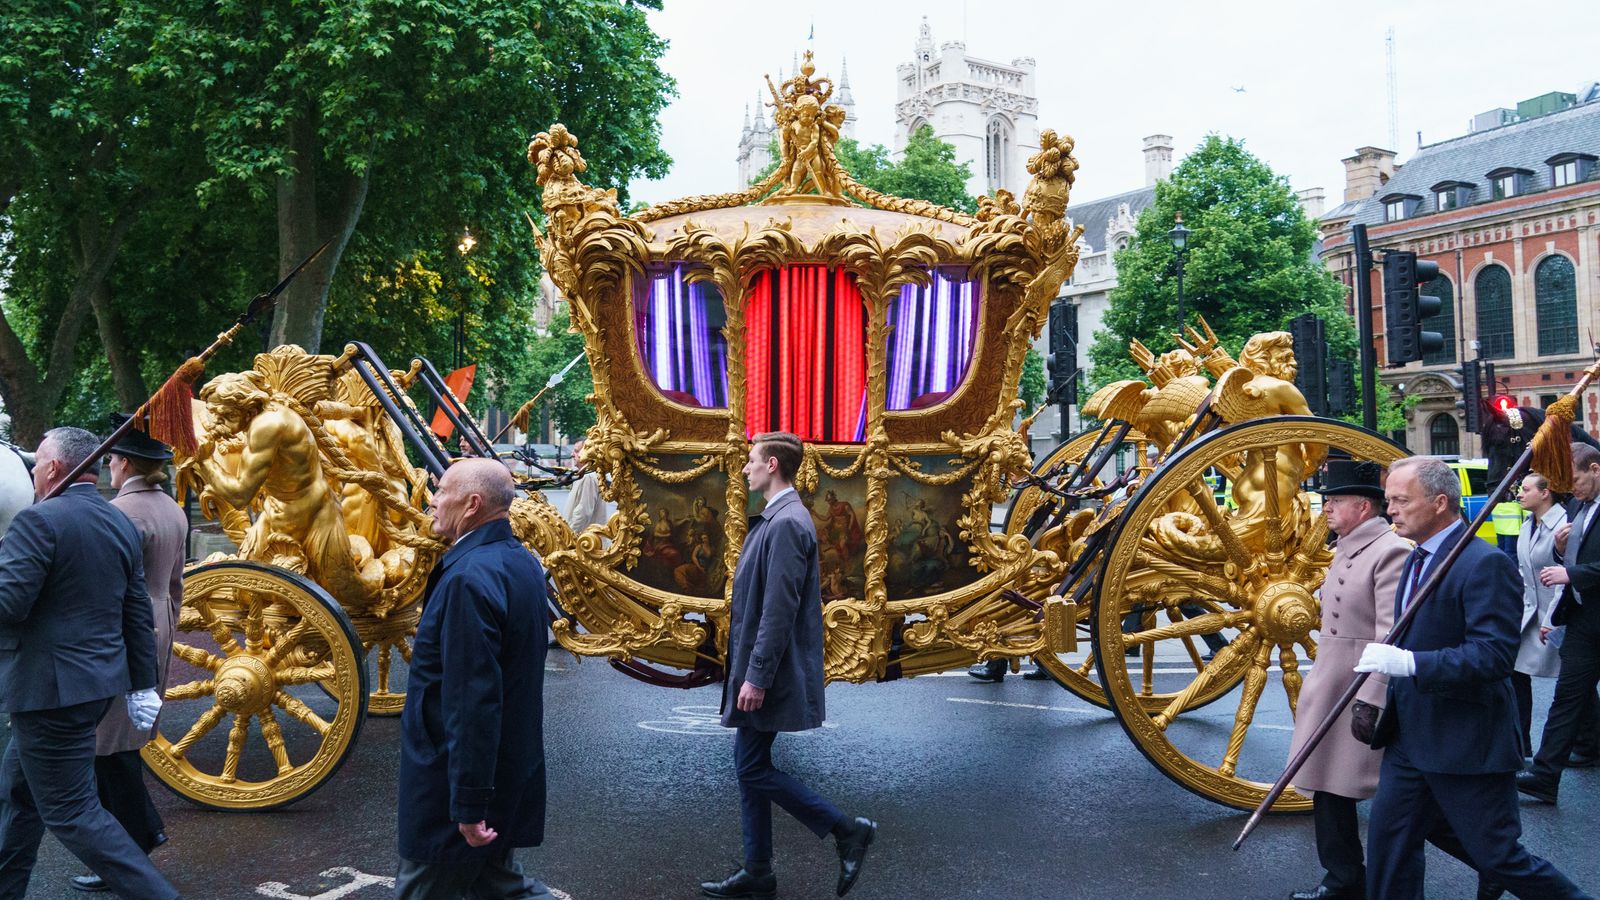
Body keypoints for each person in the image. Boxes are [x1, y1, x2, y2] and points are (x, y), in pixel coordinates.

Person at [1356, 456, 1590, 900]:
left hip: (1465, 738)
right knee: (1390, 849)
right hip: (1410, 735)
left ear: (1440, 502)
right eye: (1389, 500)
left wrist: (1412, 663)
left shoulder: (1482, 563)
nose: (1391, 510)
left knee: (1500, 858)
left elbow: (1493, 656)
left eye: (1402, 500)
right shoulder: (1418, 557)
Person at [0, 426, 178, 900]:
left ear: (55, 468)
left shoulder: (37, 522)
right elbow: (136, 613)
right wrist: (143, 684)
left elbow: (9, 605)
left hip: (49, 693)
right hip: (93, 688)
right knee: (18, 797)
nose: (33, 470)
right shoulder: (115, 519)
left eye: (38, 462)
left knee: (72, 813)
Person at [702, 433, 876, 900]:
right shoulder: (781, 518)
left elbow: (778, 609)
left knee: (751, 769)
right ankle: (757, 871)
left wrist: (756, 675)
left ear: (772, 464)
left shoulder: (785, 524)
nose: (744, 469)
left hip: (769, 672)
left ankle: (845, 829)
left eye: (751, 462)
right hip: (764, 667)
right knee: (749, 765)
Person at [394, 458, 555, 899]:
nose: (432, 498)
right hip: (496, 772)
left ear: (472, 505)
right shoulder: (519, 562)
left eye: (442, 491)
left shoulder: (468, 576)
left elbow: (471, 700)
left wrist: (468, 802)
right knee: (500, 885)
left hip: (454, 779)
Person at [68, 415, 189, 894]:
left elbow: (107, 588)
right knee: (117, 744)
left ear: (122, 464)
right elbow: (175, 585)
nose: (110, 467)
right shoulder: (174, 510)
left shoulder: (121, 513)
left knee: (106, 744)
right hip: (158, 623)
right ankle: (140, 833)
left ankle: (125, 848)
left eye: (113, 460)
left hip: (122, 632)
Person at [1286, 459, 1409, 900]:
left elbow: (1389, 632)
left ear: (1362, 506)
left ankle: (1490, 860)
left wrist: (1373, 697)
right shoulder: (1347, 547)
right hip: (1331, 680)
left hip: (1357, 685)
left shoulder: (1389, 550)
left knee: (1412, 803)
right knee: (1325, 785)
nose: (1326, 510)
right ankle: (1343, 881)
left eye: (1334, 502)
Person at [1518, 442, 1600, 803]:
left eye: (1576, 479)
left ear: (1595, 469)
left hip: (1587, 601)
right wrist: (1563, 553)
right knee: (1568, 696)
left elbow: (1576, 570)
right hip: (1585, 618)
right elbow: (1571, 557)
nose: (1572, 488)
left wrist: (1572, 573)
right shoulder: (1581, 507)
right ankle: (1545, 776)